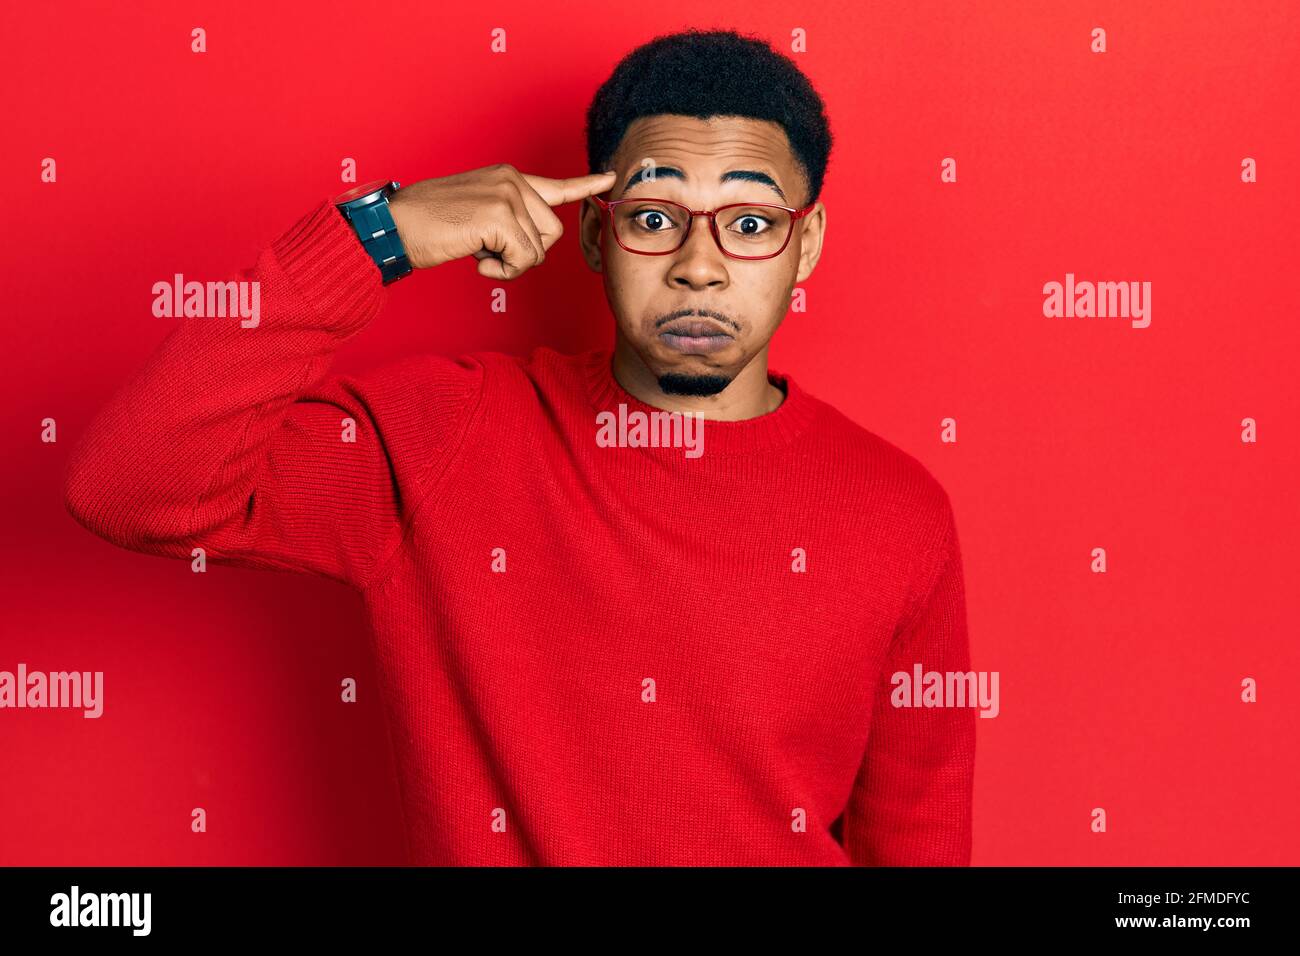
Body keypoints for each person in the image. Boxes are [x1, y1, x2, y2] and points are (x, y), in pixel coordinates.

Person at [63, 27, 975, 865]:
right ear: (592, 229)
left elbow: (919, 838)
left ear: (804, 243)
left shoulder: (898, 510)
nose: (700, 266)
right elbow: (133, 486)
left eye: (749, 223)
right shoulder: (448, 436)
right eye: (655, 216)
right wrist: (377, 236)